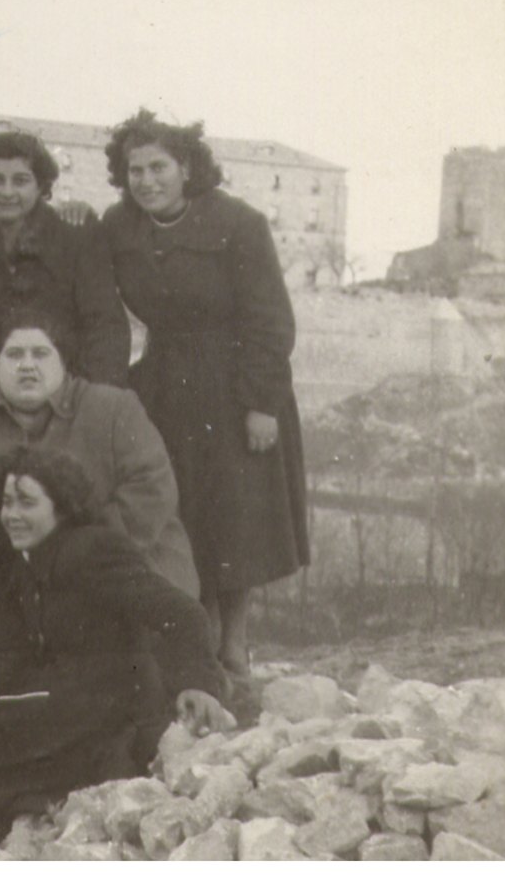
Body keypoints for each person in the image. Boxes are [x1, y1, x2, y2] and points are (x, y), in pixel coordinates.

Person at [0, 446, 234, 834]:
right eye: (7, 503)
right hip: (70, 701)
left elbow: (182, 612)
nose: (12, 515)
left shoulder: (93, 549)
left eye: (27, 503)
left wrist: (198, 684)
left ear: (62, 508)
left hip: (114, 707)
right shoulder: (30, 554)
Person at [99, 109, 310, 678]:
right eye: (135, 170)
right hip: (165, 383)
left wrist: (261, 403)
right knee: (183, 511)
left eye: (159, 167)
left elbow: (270, 318)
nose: (147, 181)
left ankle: (235, 646)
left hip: (235, 382)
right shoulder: (119, 226)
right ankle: (200, 641)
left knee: (235, 517)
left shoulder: (238, 223)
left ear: (187, 167)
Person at [0, 308, 200, 599]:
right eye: (14, 354)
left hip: (127, 570)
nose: (27, 365)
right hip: (18, 587)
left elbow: (152, 490)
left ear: (63, 361)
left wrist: (74, 550)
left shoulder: (114, 409)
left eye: (41, 354)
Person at [0, 131, 130, 410]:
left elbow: (104, 323)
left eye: (21, 181)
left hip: (65, 397)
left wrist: (96, 396)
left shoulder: (76, 234)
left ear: (40, 186)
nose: (7, 192)